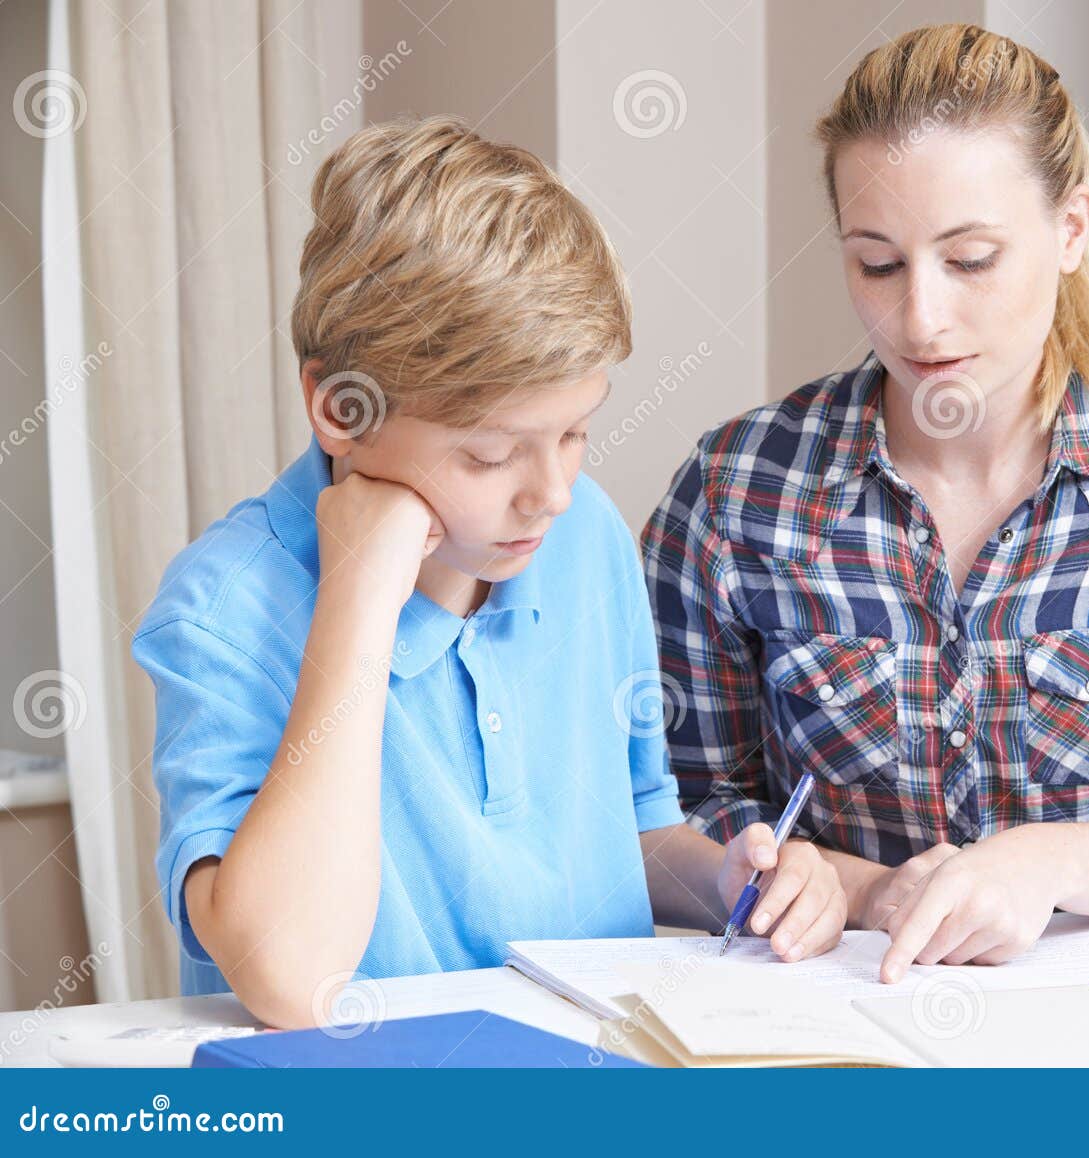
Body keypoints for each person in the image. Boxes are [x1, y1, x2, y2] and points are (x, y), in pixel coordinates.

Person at [133, 116, 846, 1027]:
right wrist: (358, 599)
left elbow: (633, 831)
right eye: (489, 455)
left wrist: (733, 881)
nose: (550, 491)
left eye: (577, 433)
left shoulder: (582, 536)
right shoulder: (220, 612)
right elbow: (292, 976)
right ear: (339, 409)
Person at [642, 24, 1089, 985]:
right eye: (877, 263)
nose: (921, 319)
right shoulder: (738, 485)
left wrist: (1042, 862)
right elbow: (668, 811)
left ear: (1070, 230)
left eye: (971, 258)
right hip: (828, 1018)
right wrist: (859, 891)